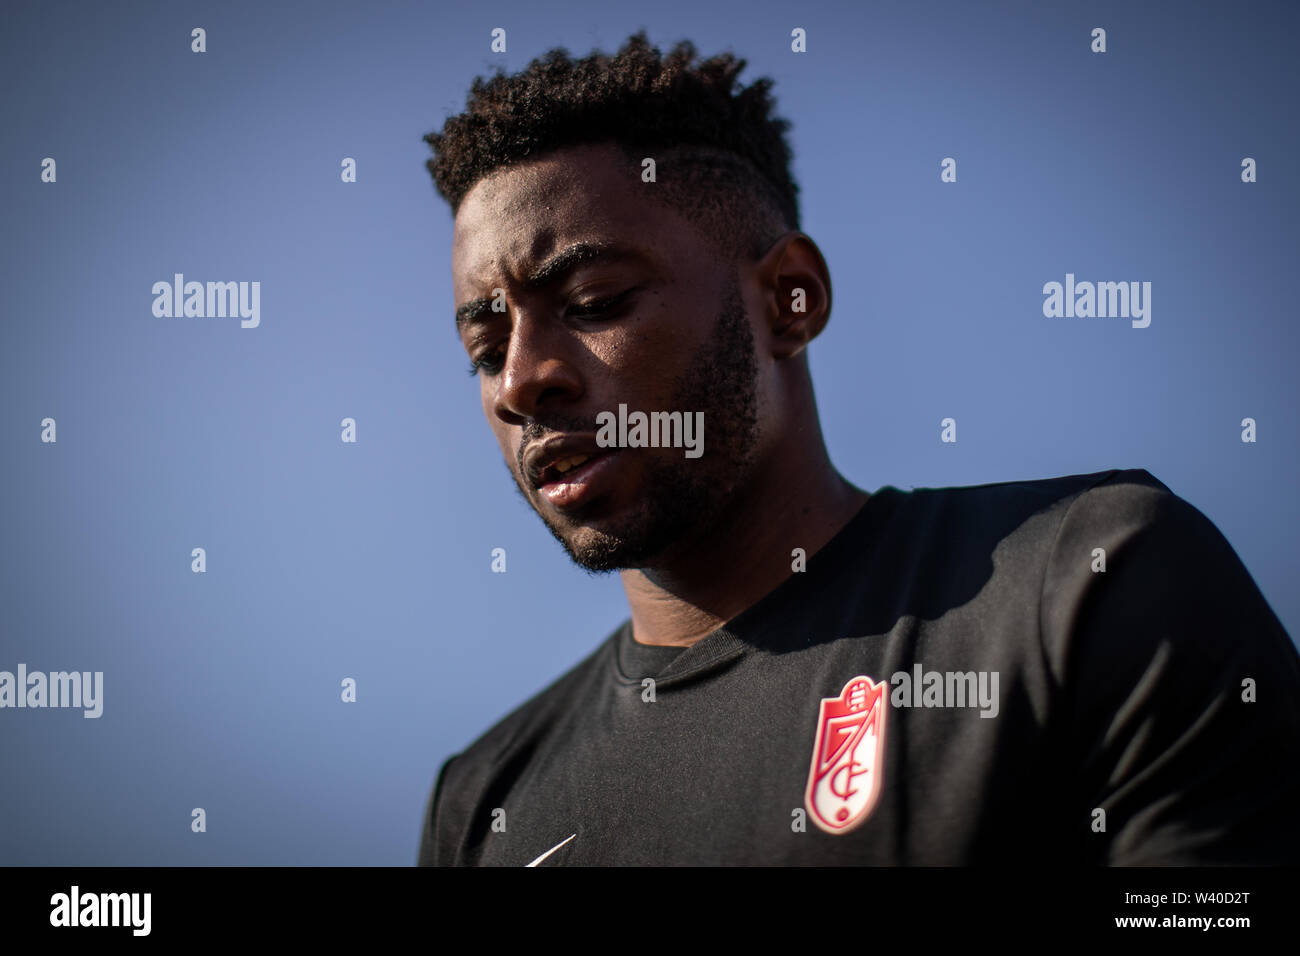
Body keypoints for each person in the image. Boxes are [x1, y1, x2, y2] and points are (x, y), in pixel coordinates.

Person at [416, 31, 1300, 866]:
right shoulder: (485, 800)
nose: (523, 380)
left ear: (789, 300)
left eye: (596, 300)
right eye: (485, 352)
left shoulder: (1091, 582)